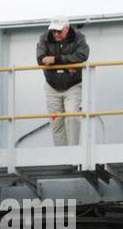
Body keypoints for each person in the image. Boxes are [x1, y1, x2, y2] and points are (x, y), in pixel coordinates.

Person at [36, 17, 90, 146]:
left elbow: (83, 55)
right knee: (56, 121)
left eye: (59, 31)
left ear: (67, 28)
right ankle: (61, 157)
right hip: (52, 86)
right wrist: (67, 65)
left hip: (73, 85)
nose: (55, 34)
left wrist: (56, 60)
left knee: (72, 118)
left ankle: (73, 154)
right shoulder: (44, 37)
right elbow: (41, 59)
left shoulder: (78, 37)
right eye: (53, 31)